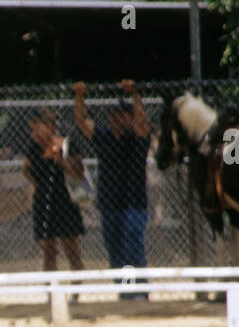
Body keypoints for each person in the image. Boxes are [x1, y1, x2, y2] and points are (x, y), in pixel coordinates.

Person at [73, 79, 151, 278]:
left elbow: (142, 123)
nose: (114, 118)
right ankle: (124, 293)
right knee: (115, 251)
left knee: (131, 248)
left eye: (120, 115)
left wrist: (134, 94)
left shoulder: (138, 137)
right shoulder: (105, 137)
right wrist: (79, 96)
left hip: (133, 203)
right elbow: (83, 122)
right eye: (112, 115)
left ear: (130, 118)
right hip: (109, 204)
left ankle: (138, 290)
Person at [22, 107, 85, 272]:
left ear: (49, 126)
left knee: (72, 250)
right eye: (31, 129)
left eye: (37, 127)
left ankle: (76, 291)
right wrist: (37, 184)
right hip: (44, 201)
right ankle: (51, 291)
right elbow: (26, 169)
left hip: (66, 202)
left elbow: (79, 172)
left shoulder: (67, 144)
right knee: (49, 251)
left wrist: (60, 160)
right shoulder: (33, 149)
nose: (34, 133)